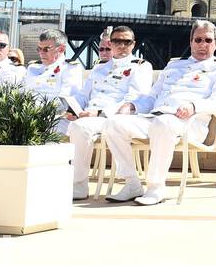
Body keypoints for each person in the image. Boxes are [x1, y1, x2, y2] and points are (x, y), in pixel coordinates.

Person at [101, 20, 216, 206]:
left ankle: (156, 187)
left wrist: (194, 106)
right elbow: (152, 97)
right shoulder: (173, 66)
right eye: (198, 40)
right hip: (155, 117)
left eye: (208, 40)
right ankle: (132, 184)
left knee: (163, 124)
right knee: (113, 123)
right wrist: (132, 106)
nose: (202, 44)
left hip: (189, 122)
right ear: (191, 41)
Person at [66, 26, 154, 199]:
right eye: (117, 41)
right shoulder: (99, 68)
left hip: (115, 117)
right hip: (91, 116)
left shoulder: (141, 67)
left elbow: (133, 99)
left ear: (133, 44)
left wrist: (98, 113)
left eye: (126, 42)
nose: (121, 45)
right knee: (74, 125)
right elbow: (84, 95)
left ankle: (129, 183)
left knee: (81, 127)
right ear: (110, 43)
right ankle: (78, 185)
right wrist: (72, 109)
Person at [22, 29, 86, 136]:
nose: (41, 53)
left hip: (57, 118)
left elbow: (65, 99)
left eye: (46, 49)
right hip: (30, 115)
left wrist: (35, 111)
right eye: (39, 49)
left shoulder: (70, 68)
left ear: (61, 49)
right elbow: (23, 92)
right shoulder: (33, 68)